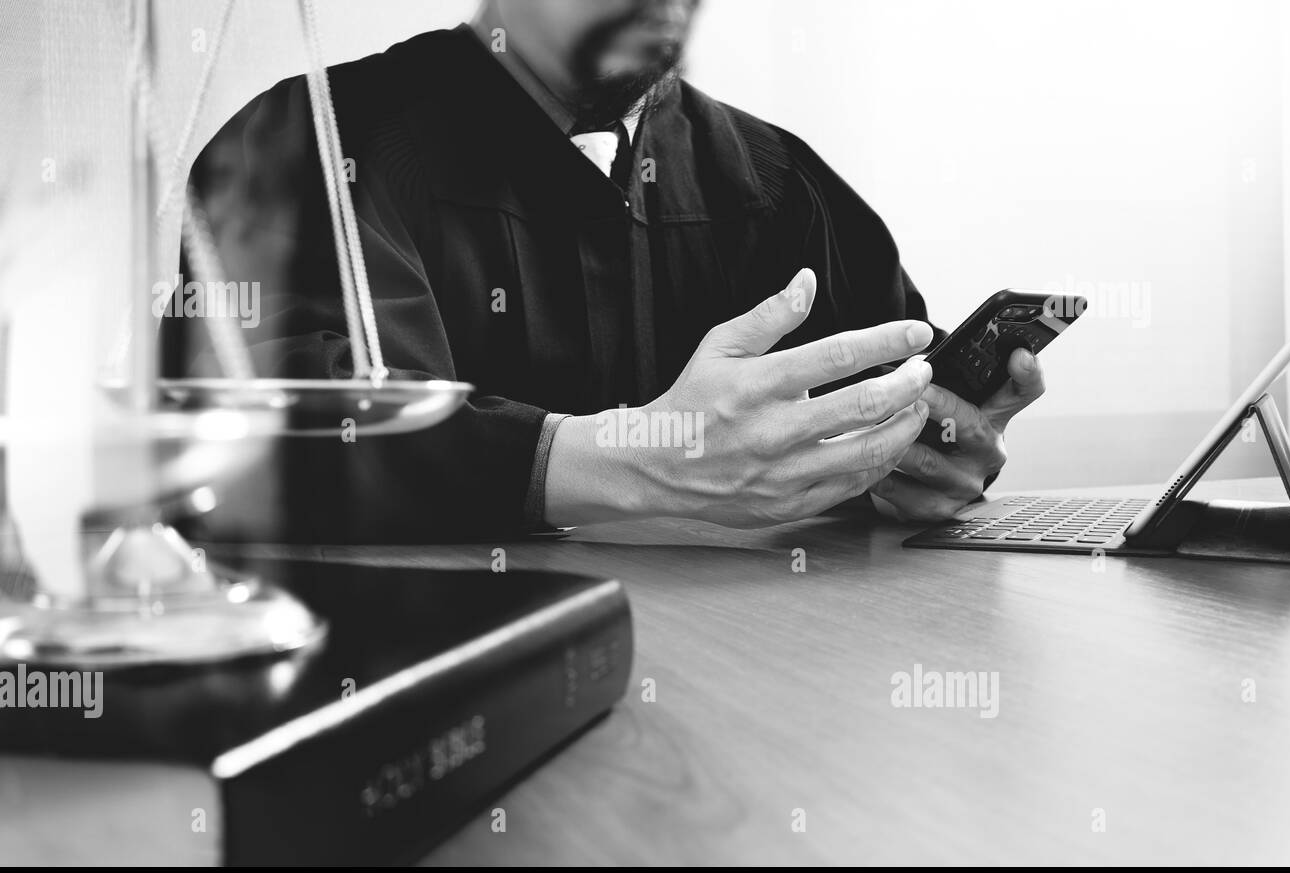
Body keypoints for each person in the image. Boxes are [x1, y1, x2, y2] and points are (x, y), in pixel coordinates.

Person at [163, 0, 1044, 543]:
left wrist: (926, 461)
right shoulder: (315, 144)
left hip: (757, 704)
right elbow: (249, 434)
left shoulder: (775, 183)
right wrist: (620, 460)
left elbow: (900, 409)